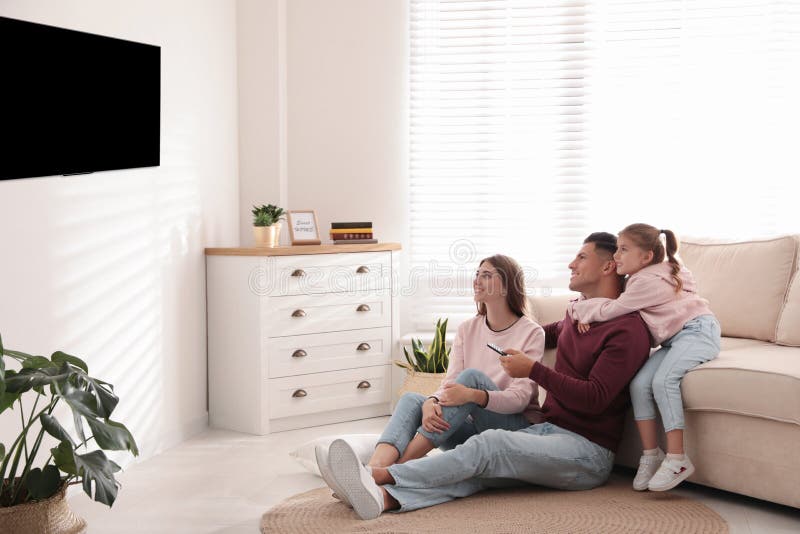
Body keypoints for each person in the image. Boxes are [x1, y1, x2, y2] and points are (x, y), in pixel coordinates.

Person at [316, 233, 651, 520]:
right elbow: (537, 333)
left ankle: (378, 475)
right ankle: (385, 499)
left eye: (581, 256)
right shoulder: (580, 315)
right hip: (547, 432)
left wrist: (533, 370)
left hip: (587, 453)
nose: (570, 264)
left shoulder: (627, 330)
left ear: (608, 267)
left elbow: (595, 397)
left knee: (489, 445)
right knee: (478, 468)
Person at [315, 254, 545, 506]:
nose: (477, 280)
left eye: (487, 275)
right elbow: (450, 381)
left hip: (515, 430)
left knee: (472, 379)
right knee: (413, 399)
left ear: (506, 285)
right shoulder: (468, 328)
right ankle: (373, 468)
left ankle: (387, 473)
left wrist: (474, 395)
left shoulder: (531, 332)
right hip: (470, 429)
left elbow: (520, 400)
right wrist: (433, 400)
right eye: (477, 274)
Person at [568, 223, 720, 492]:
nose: (616, 257)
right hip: (675, 339)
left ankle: (677, 458)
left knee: (663, 381)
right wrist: (583, 306)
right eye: (616, 250)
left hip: (698, 333)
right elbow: (604, 296)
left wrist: (584, 310)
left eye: (623, 250)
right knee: (639, 385)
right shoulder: (646, 276)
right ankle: (651, 455)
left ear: (647, 257)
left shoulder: (646, 281)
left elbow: (613, 309)